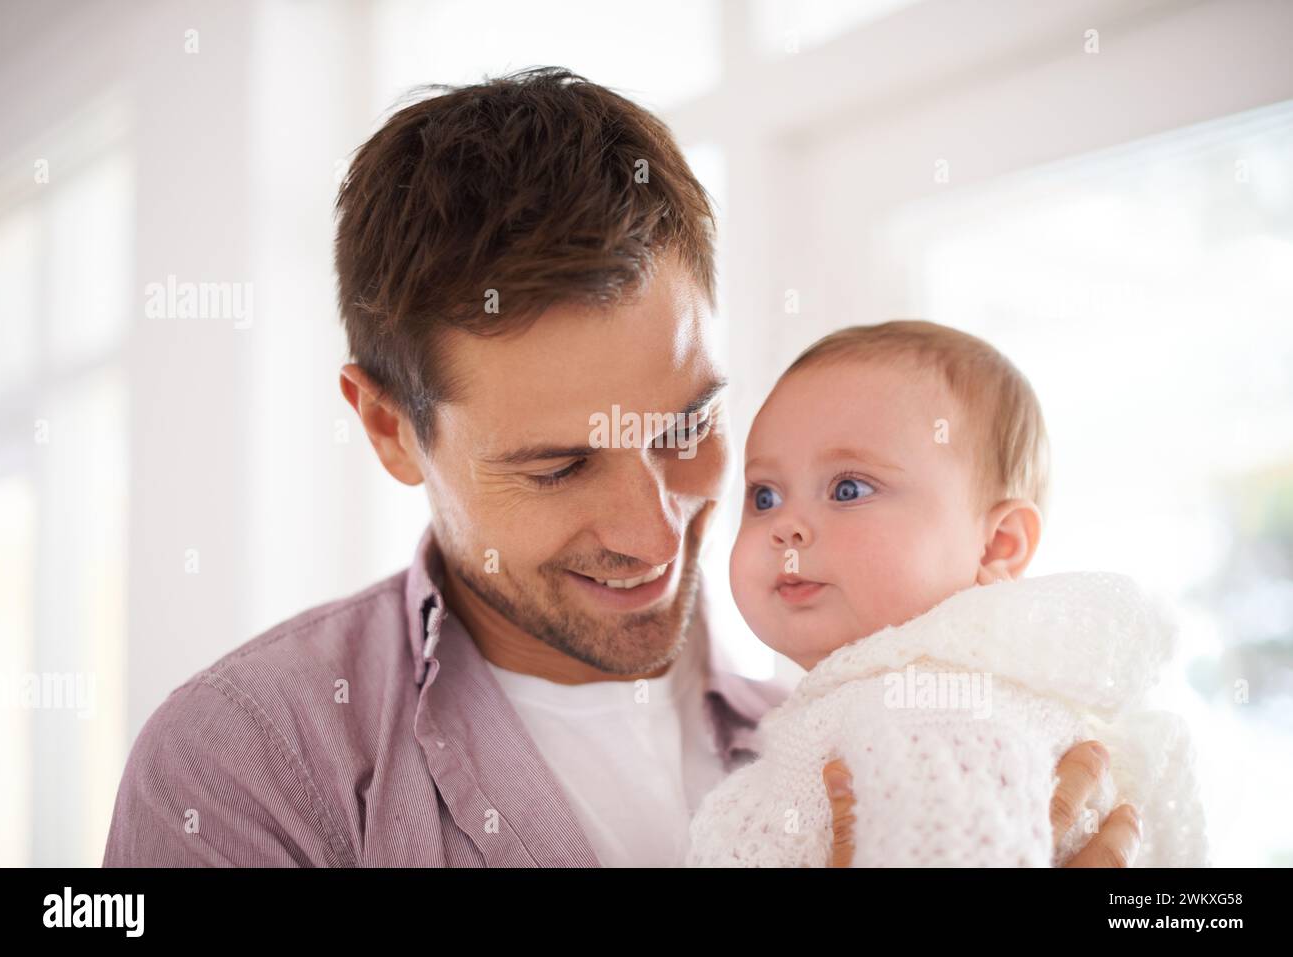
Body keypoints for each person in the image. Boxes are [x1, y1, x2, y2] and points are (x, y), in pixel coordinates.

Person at [103, 68, 1141, 867]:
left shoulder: (838, 735)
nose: (654, 534)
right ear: (386, 428)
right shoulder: (243, 767)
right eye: (557, 467)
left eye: (686, 428)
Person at [686, 321, 1205, 866]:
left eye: (848, 489)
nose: (785, 526)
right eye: (764, 495)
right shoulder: (878, 696)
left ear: (996, 545)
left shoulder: (938, 707)